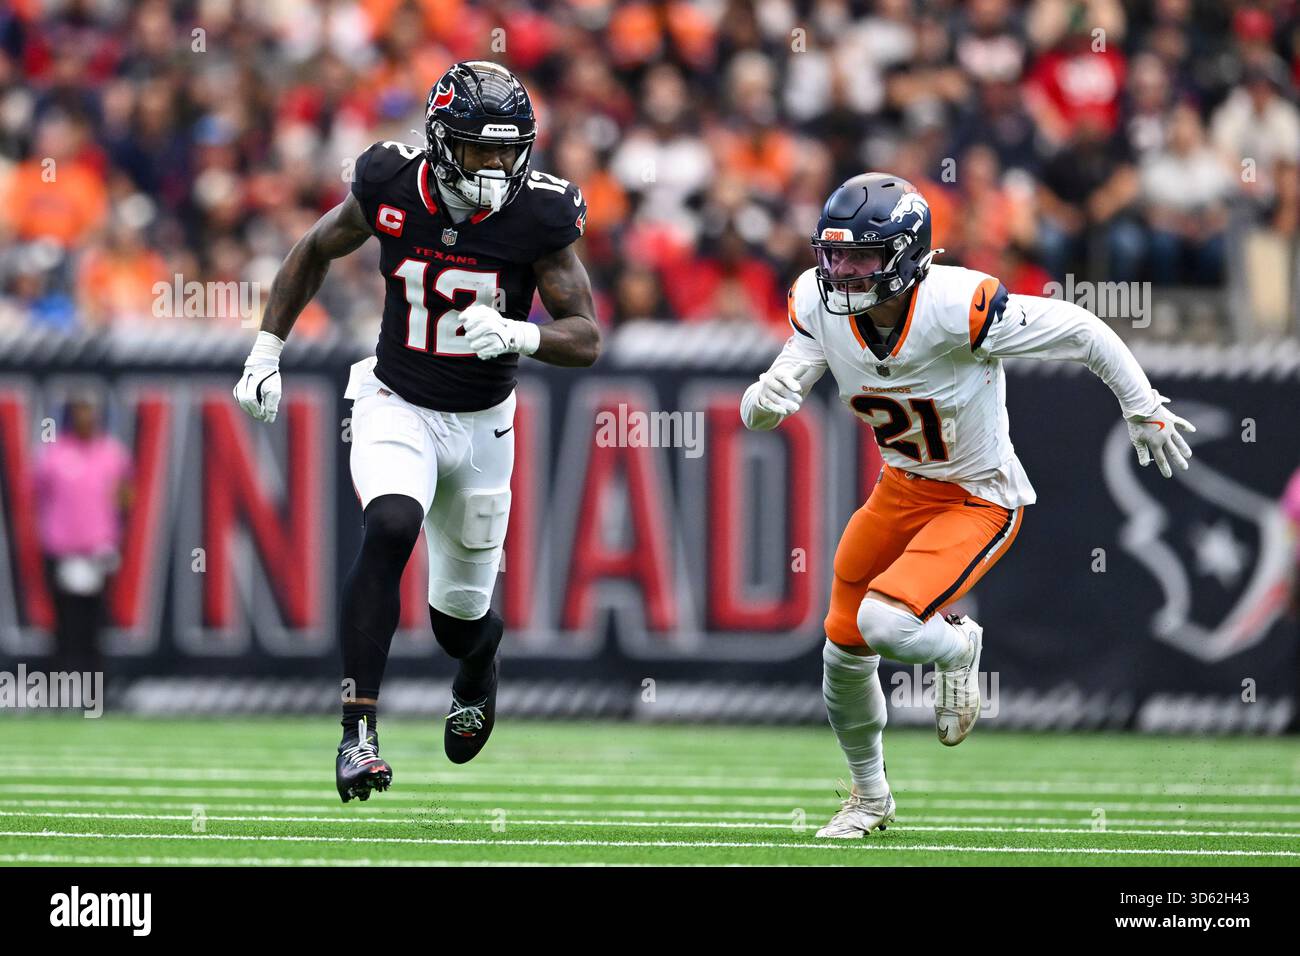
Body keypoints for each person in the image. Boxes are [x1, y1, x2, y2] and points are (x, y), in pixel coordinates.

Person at [740, 173, 1195, 837]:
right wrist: (763, 403)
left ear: (905, 254)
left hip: (977, 497)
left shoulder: (956, 306)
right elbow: (787, 376)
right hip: (899, 490)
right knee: (841, 653)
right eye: (833, 255)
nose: (842, 271)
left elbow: (1082, 328)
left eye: (861, 256)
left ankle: (957, 648)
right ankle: (869, 799)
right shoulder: (816, 301)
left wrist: (1141, 404)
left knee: (886, 623)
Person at [233, 61, 600, 803]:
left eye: (508, 150)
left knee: (458, 622)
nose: (496, 168)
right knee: (392, 522)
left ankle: (478, 669)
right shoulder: (391, 185)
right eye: (479, 150)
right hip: (394, 398)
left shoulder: (540, 215)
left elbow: (586, 335)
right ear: (439, 142)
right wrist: (266, 351)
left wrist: (522, 335)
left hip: (484, 425)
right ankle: (357, 730)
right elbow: (312, 250)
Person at [33, 393, 133, 677]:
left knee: (96, 625)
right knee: (64, 625)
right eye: (81, 410)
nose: (86, 417)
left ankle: (95, 688)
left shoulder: (112, 454)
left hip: (99, 553)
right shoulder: (53, 454)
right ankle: (61, 688)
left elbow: (126, 499)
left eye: (91, 410)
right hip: (61, 553)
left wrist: (112, 534)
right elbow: (36, 495)